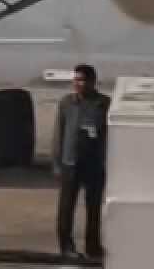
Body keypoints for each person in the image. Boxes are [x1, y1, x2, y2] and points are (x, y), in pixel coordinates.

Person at [52, 63, 110, 260]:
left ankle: (93, 246)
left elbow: (109, 135)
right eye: (76, 79)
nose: (79, 84)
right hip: (70, 162)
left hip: (94, 164)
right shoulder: (67, 103)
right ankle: (66, 246)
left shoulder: (104, 104)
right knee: (66, 208)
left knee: (94, 209)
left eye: (83, 80)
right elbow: (59, 133)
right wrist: (56, 162)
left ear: (93, 82)